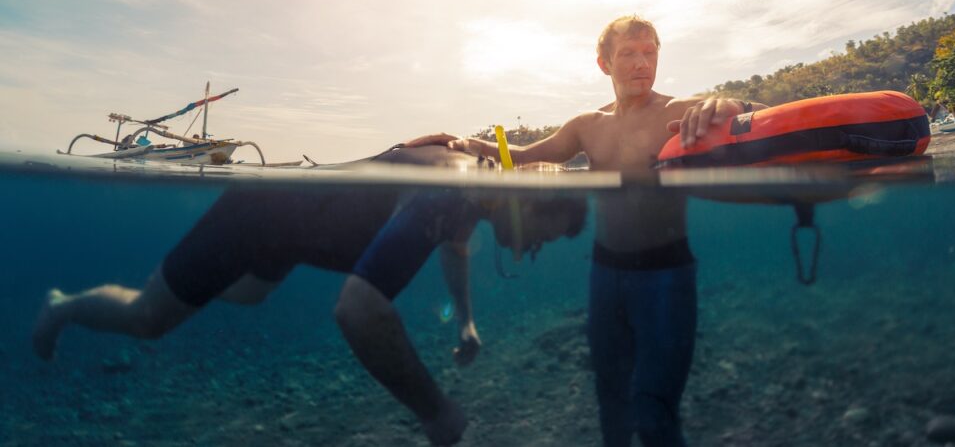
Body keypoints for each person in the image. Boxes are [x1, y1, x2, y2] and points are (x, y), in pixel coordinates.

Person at [32, 143, 587, 446]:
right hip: (258, 217)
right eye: (546, 234)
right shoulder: (452, 190)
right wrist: (434, 410)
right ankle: (63, 305)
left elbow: (456, 247)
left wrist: (465, 321)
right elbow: (358, 309)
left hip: (291, 236)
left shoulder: (477, 193)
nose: (536, 248)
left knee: (249, 296)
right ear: (531, 203)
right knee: (148, 318)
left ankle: (179, 286)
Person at [410, 16, 765, 446]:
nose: (641, 63)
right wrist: (471, 143)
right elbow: (519, 157)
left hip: (666, 276)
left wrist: (735, 105)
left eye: (649, 53)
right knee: (610, 402)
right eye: (628, 53)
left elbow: (768, 120)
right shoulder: (587, 125)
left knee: (655, 411)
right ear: (604, 64)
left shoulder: (678, 111)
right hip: (606, 275)